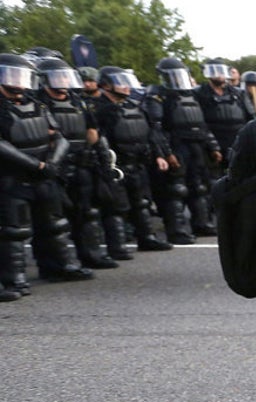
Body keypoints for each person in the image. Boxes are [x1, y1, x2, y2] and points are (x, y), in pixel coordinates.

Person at [1, 53, 94, 301]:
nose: (17, 81)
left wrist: (52, 162)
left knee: (54, 224)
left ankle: (60, 266)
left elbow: (59, 136)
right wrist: (37, 165)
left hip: (44, 175)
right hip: (13, 178)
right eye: (10, 74)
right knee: (14, 231)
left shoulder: (38, 104)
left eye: (20, 75)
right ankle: (14, 278)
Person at [32, 56, 119, 269]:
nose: (62, 80)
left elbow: (92, 131)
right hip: (53, 167)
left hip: (82, 164)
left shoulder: (78, 101)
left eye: (64, 76)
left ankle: (91, 255)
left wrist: (102, 156)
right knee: (53, 220)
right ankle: (53, 265)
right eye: (57, 76)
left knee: (86, 213)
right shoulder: (37, 103)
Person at [91, 66, 175, 253]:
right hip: (116, 165)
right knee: (116, 207)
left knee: (142, 203)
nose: (126, 87)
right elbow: (95, 139)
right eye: (120, 82)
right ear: (106, 85)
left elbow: (151, 133)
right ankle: (118, 246)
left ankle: (147, 238)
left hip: (138, 163)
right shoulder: (98, 109)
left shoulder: (135, 106)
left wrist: (159, 155)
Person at [146, 57, 223, 241]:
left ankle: (201, 223)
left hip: (197, 145)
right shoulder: (158, 96)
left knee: (199, 187)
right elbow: (156, 128)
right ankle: (177, 230)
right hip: (176, 144)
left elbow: (202, 124)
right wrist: (167, 153)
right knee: (176, 189)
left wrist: (213, 146)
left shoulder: (192, 95)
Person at [194, 58, 252, 168]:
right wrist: (212, 145)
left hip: (237, 142)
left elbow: (251, 118)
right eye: (214, 71)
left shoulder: (239, 93)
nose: (218, 75)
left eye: (220, 71)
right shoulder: (199, 93)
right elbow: (198, 122)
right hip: (211, 143)